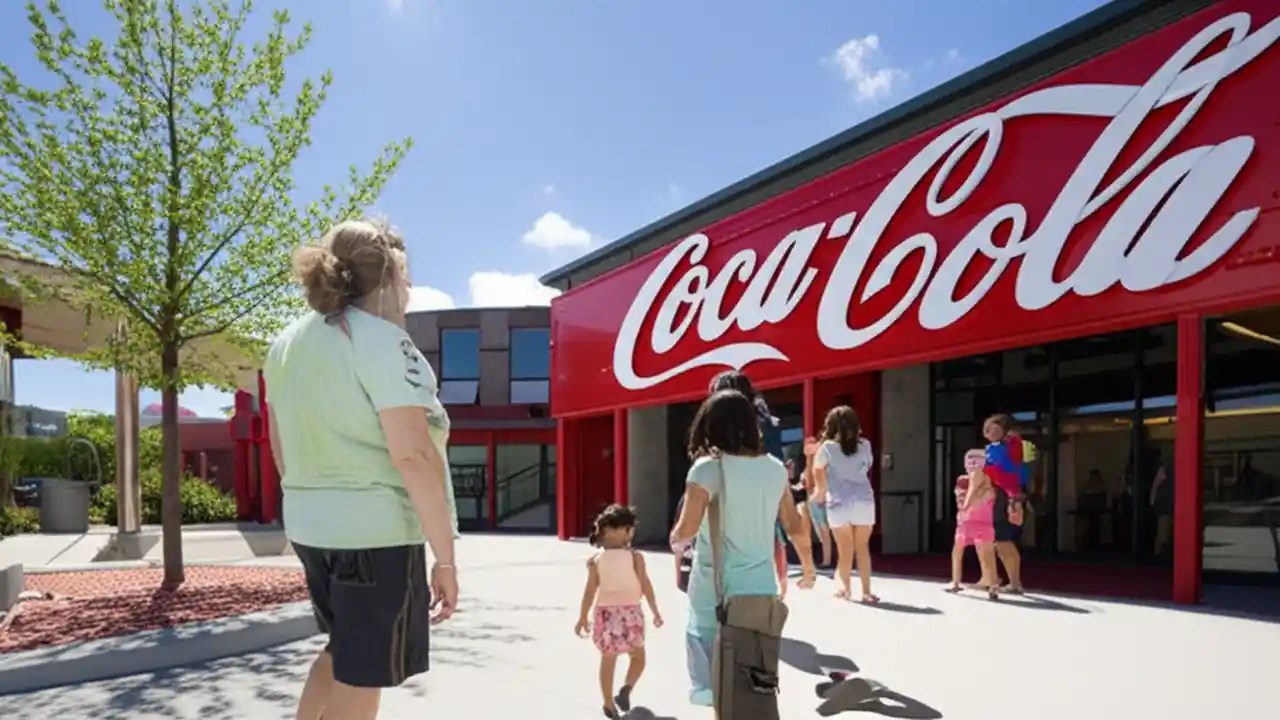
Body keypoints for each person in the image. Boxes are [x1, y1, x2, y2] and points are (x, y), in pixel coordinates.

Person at [264, 218, 459, 720]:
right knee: (363, 671)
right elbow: (413, 457)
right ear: (392, 277)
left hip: (310, 526)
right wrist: (446, 558)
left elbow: (279, 443)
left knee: (342, 649)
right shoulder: (382, 342)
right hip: (374, 535)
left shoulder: (285, 344)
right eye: (407, 280)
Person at [669, 389, 801, 707]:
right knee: (751, 682)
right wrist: (808, 566)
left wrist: (675, 540)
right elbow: (793, 525)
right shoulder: (774, 469)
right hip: (760, 589)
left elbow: (685, 530)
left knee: (712, 685)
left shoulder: (706, 469)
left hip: (715, 590)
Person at [706, 370, 800, 598]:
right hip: (765, 481)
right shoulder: (763, 416)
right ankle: (778, 587)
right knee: (770, 533)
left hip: (732, 480)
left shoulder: (721, 419)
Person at [575, 504, 664, 719]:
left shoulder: (606, 560)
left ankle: (615, 698)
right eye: (627, 528)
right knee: (632, 658)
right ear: (610, 531)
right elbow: (645, 586)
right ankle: (618, 696)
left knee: (616, 658)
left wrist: (583, 616)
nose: (631, 533)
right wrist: (655, 611)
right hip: (626, 613)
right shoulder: (628, 559)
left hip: (612, 614)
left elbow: (590, 592)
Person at [811, 405, 878, 603]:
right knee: (862, 548)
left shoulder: (827, 448)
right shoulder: (865, 445)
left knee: (845, 549)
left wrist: (821, 491)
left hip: (838, 501)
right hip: (864, 499)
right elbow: (868, 465)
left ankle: (845, 589)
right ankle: (866, 592)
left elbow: (817, 469)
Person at [946, 449, 1000, 599]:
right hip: (979, 524)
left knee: (959, 552)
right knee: (985, 554)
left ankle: (957, 582)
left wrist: (969, 493)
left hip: (969, 523)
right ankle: (993, 586)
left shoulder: (985, 491)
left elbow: (967, 503)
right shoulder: (987, 490)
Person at [983, 414, 1026, 594]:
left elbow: (1011, 469)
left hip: (1009, 494)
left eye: (996, 428)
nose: (991, 432)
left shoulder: (1011, 445)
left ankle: (1015, 583)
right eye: (989, 428)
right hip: (998, 494)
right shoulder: (992, 448)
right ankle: (1013, 582)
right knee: (999, 542)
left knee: (1004, 539)